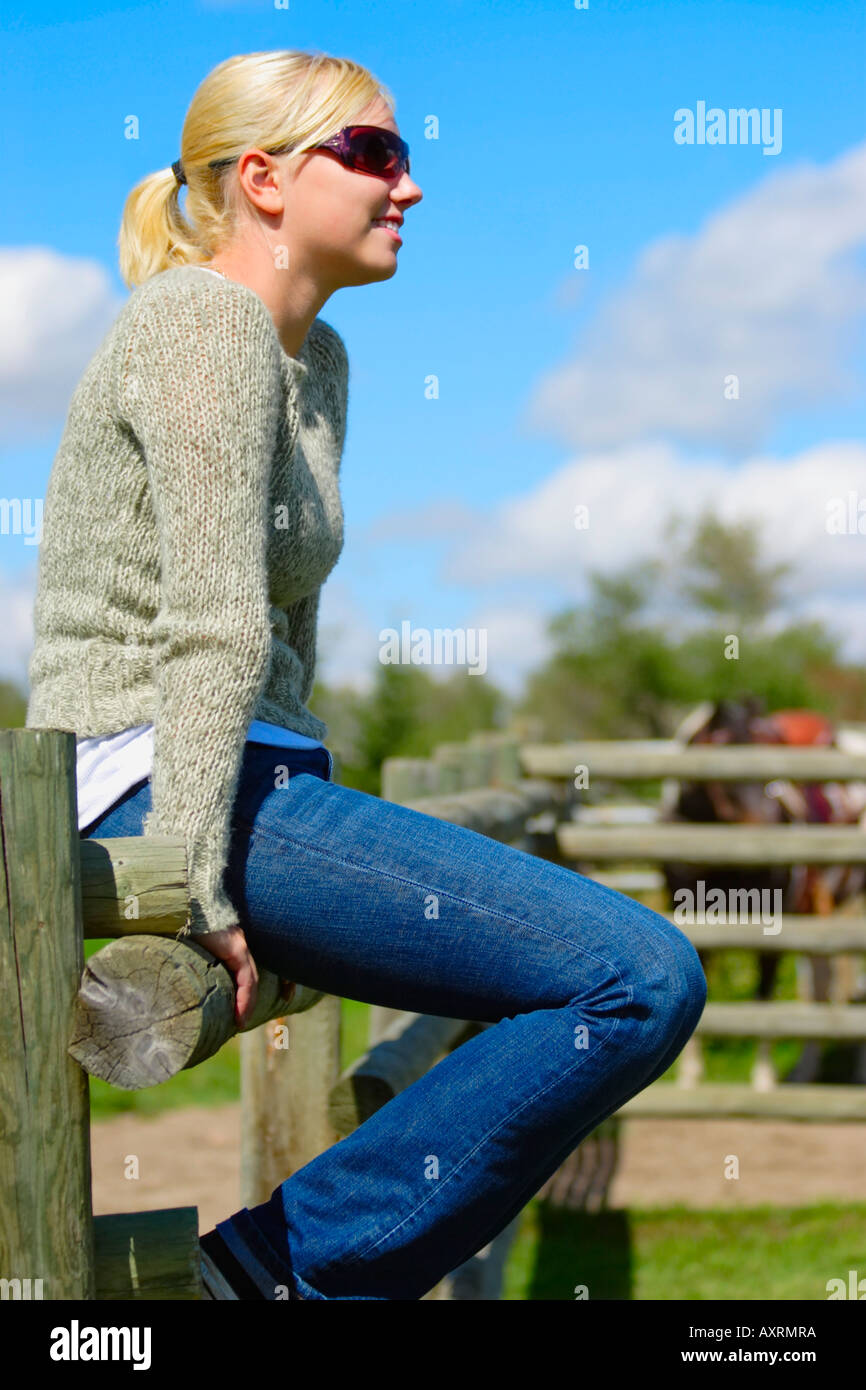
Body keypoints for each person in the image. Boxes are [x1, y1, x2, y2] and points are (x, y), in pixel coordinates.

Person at [27, 48, 707, 1301]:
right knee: (639, 974)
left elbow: (291, 632)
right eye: (375, 154)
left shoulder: (319, 360)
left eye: (406, 157)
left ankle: (285, 1269)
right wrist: (190, 878)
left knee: (613, 981)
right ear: (264, 180)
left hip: (255, 774)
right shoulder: (197, 322)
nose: (410, 187)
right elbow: (213, 624)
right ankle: (266, 1275)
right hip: (149, 779)